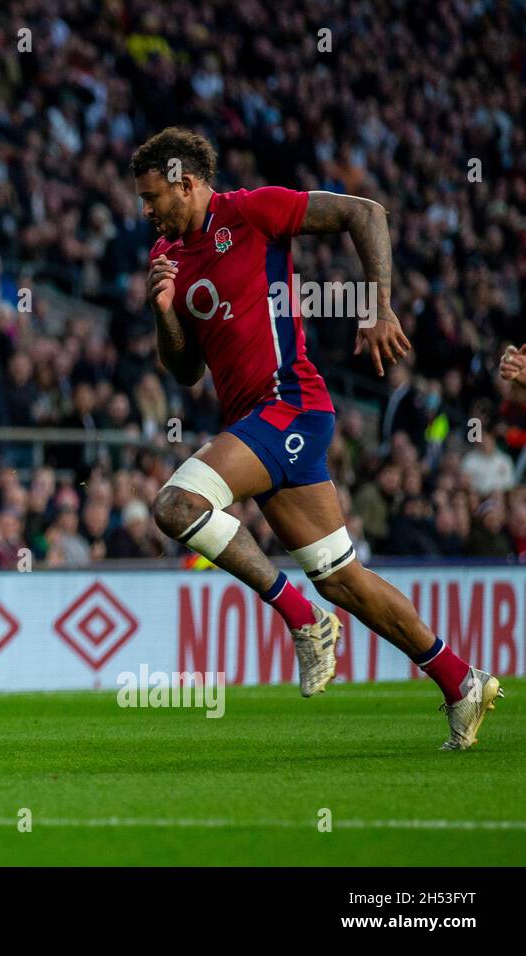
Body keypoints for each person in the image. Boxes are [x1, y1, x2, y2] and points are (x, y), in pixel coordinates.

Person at [133, 128, 502, 751]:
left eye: (151, 196)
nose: (145, 210)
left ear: (185, 183)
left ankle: (302, 619)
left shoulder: (251, 210)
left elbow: (365, 212)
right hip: (255, 422)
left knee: (177, 505)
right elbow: (186, 370)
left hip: (289, 405)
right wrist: (164, 310)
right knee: (339, 576)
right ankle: (460, 679)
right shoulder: (168, 257)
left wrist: (380, 306)